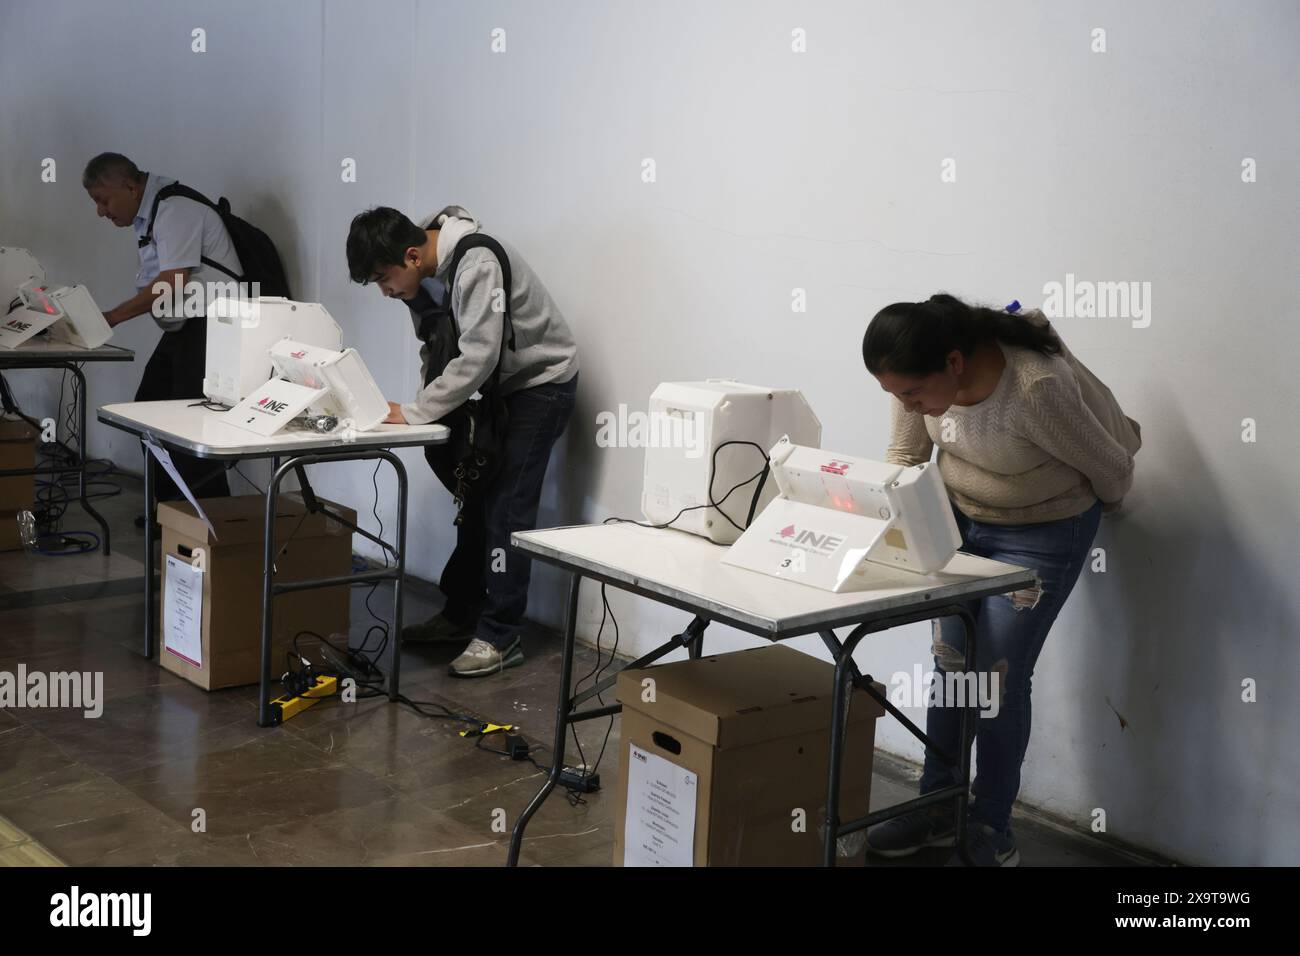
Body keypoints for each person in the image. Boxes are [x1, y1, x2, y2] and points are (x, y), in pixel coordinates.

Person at [862, 293, 1141, 866]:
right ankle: (938, 805)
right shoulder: (916, 379)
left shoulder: (1035, 389)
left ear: (956, 362)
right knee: (953, 666)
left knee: (997, 679)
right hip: (957, 520)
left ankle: (991, 825)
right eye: (895, 394)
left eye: (912, 393)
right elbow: (904, 453)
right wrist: (876, 515)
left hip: (1042, 530)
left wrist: (1108, 509)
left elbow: (1112, 467)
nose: (907, 405)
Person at [346, 205, 579, 677]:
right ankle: (459, 615)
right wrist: (422, 408)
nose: (385, 292)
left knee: (506, 508)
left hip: (541, 386)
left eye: (383, 278)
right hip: (500, 390)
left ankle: (500, 633)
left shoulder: (476, 264)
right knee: (473, 498)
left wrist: (415, 413)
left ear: (412, 256)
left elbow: (479, 356)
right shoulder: (430, 275)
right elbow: (436, 347)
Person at [83, 152, 233, 506]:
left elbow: (172, 282)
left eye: (103, 200)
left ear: (131, 187)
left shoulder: (175, 210)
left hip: (214, 326)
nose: (101, 211)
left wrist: (113, 316)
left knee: (190, 424)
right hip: (188, 326)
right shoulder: (151, 216)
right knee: (149, 408)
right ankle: (169, 511)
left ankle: (209, 518)